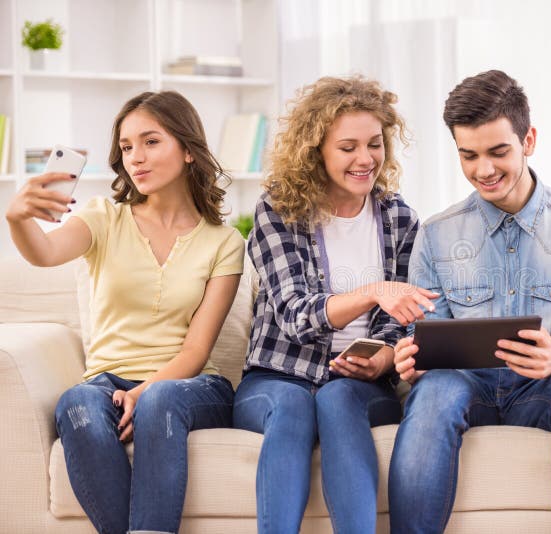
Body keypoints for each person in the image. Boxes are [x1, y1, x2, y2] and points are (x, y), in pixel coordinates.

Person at [390, 69, 551, 534]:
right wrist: (412, 357)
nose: (484, 170)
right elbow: (426, 338)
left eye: (498, 152)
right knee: (433, 390)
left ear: (528, 140)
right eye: (468, 155)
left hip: (543, 388)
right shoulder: (436, 234)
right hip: (464, 387)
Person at [4, 90, 245, 534]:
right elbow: (44, 252)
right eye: (127, 147)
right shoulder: (103, 218)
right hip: (107, 381)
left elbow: (196, 348)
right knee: (76, 402)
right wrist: (18, 219)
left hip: (190, 386)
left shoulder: (223, 242)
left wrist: (145, 391)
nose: (136, 157)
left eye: (151, 142)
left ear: (188, 150)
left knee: (161, 397)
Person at [233, 75, 436, 534]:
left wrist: (384, 357)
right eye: (348, 147)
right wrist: (371, 290)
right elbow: (294, 315)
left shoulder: (399, 217)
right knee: (295, 406)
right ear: (316, 151)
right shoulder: (278, 211)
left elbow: (401, 323)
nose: (366, 159)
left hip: (361, 385)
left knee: (339, 397)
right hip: (279, 375)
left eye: (375, 144)